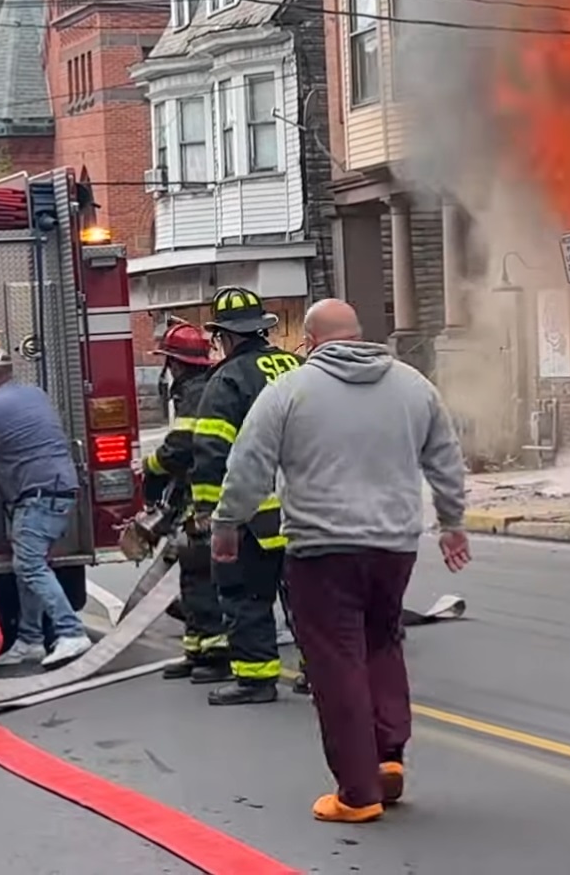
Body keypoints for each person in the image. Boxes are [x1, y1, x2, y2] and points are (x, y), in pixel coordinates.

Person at [214, 298, 469, 823]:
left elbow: (248, 464)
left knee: (337, 663)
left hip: (321, 549)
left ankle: (357, 792)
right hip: (394, 546)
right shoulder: (413, 386)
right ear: (359, 334)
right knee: (383, 643)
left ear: (310, 341)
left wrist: (227, 524)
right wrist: (452, 522)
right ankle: (388, 755)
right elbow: (445, 458)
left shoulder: (290, 391)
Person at [189, 287, 301, 706]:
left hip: (255, 514)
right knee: (307, 598)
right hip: (308, 510)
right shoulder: (298, 366)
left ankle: (256, 680)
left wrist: (209, 512)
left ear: (225, 336)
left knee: (246, 594)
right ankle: (319, 673)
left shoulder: (227, 380)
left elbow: (212, 450)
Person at [0, 347, 92, 669]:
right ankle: (30, 639)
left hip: (37, 494)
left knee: (29, 565)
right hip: (61, 486)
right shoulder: (36, 394)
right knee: (28, 565)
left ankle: (71, 631)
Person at [140, 321, 227, 683]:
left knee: (199, 575)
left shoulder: (194, 394)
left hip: (205, 500)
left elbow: (179, 449)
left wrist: (149, 467)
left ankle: (216, 653)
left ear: (174, 364)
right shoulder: (206, 386)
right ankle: (197, 650)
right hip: (205, 496)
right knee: (193, 576)